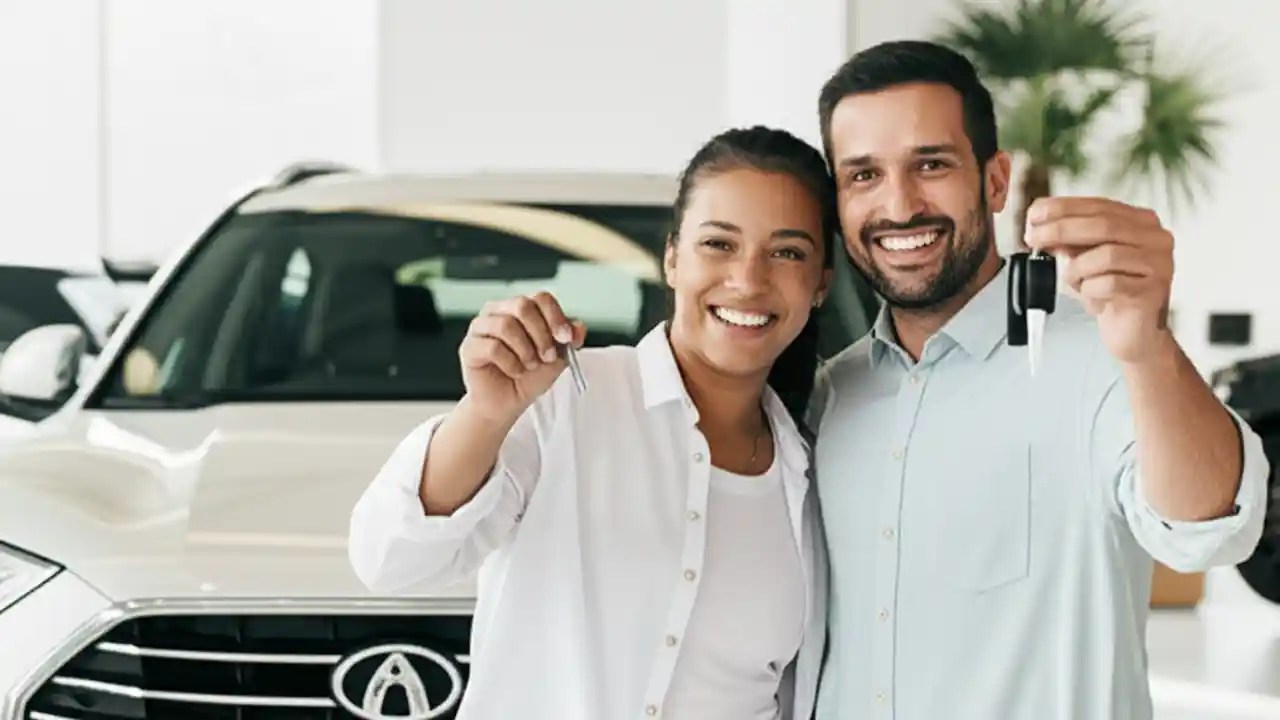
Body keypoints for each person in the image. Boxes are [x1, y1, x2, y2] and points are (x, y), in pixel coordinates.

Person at [808, 40, 1269, 719]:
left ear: (995, 180)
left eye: (930, 164)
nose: (900, 205)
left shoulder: (1106, 362)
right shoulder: (826, 397)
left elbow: (1207, 530)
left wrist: (1147, 349)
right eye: (863, 176)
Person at [348, 126, 836, 719]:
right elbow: (390, 560)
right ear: (673, 259)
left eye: (787, 252)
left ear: (820, 285)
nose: (749, 279)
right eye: (719, 244)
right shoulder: (566, 400)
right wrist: (485, 414)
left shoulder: (816, 470)